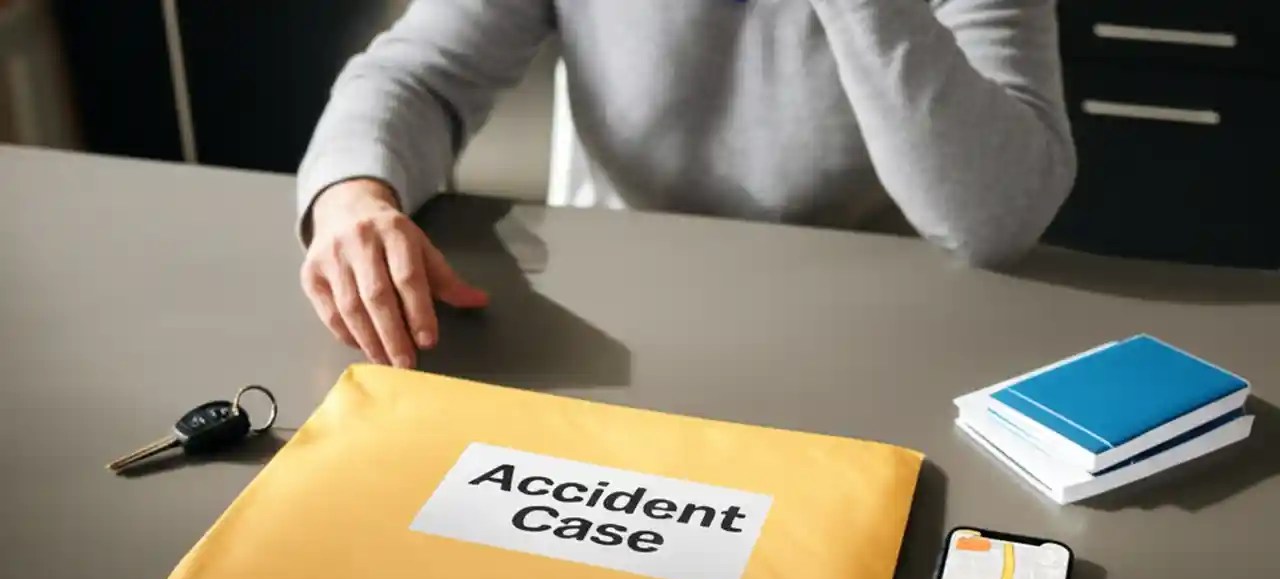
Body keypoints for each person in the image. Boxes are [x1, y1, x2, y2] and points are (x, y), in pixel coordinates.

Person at [297, 0, 1077, 368]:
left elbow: (995, 214)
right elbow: (416, 75)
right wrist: (354, 197)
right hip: (622, 322)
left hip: (881, 329)